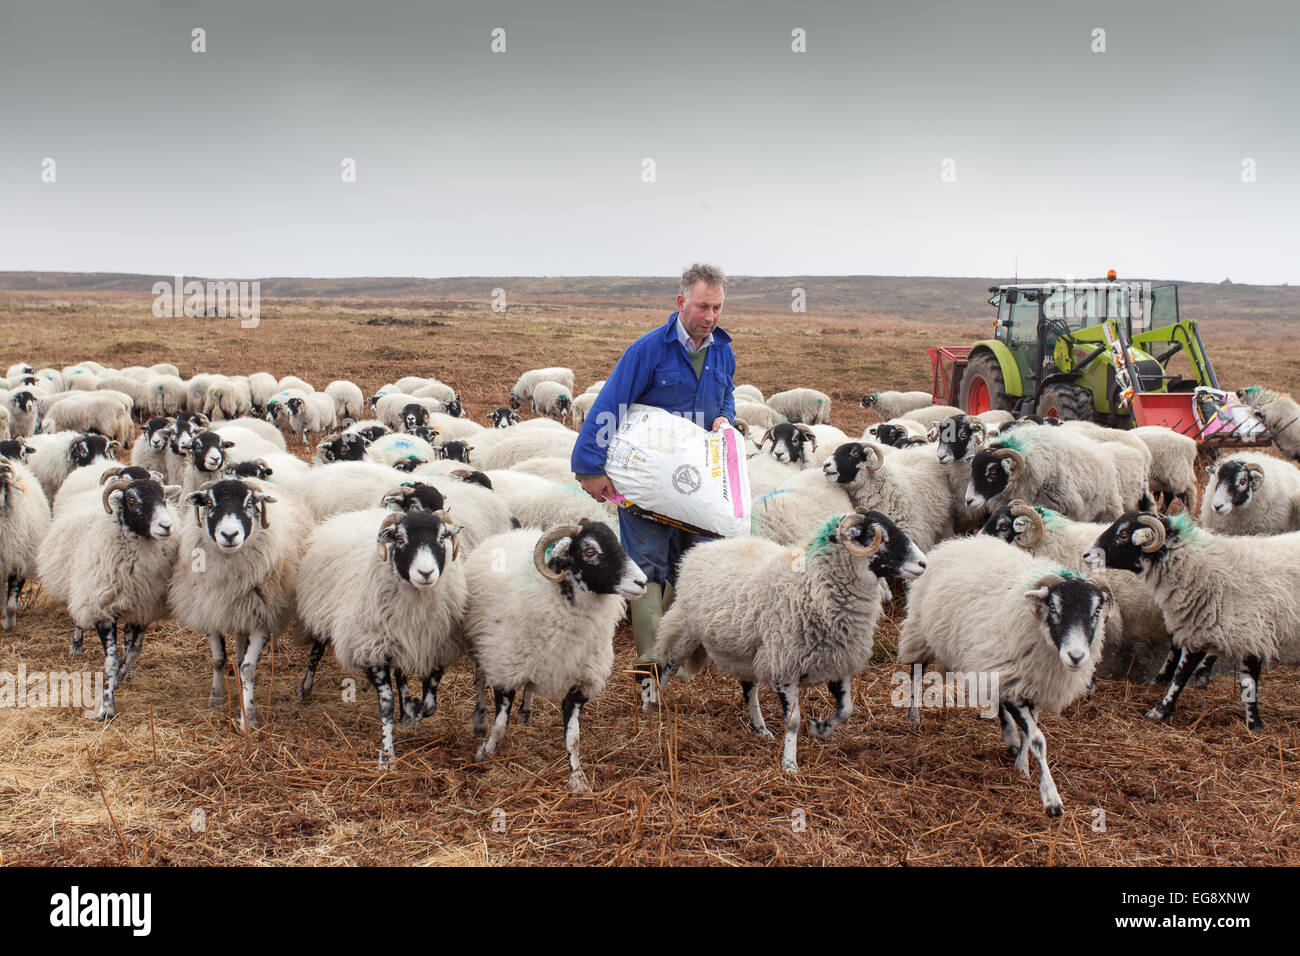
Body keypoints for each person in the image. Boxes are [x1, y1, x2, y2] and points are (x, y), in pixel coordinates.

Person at [571, 263, 735, 683]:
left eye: (717, 307)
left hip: (697, 482)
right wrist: (589, 466)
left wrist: (724, 419)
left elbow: (727, 396)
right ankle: (651, 663)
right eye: (702, 306)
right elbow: (611, 403)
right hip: (646, 480)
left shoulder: (722, 351)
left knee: (691, 563)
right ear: (682, 302)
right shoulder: (648, 350)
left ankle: (677, 654)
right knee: (646, 563)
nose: (710, 316)